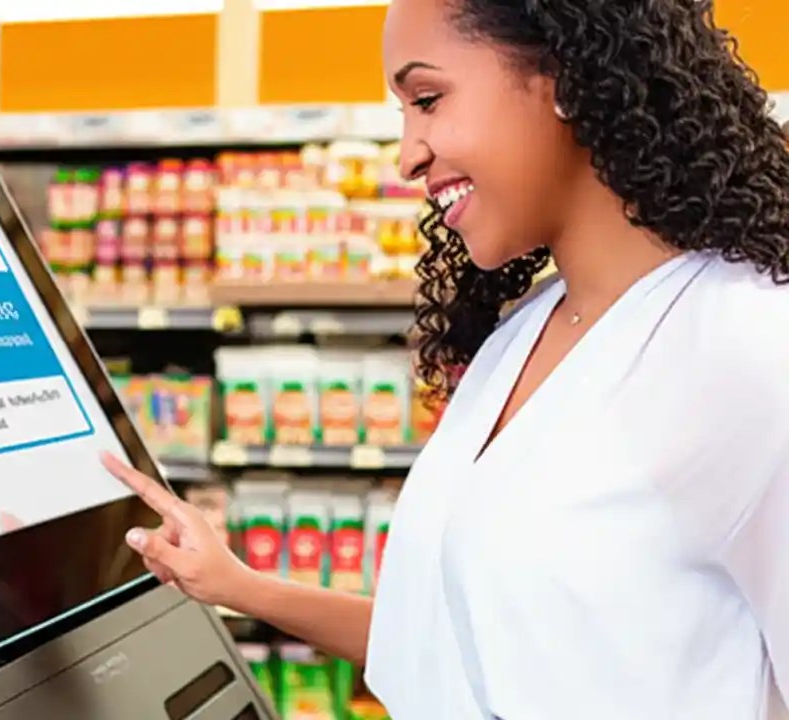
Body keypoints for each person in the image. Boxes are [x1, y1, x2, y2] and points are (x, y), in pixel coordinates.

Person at [101, 0, 789, 716]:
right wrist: (240, 587)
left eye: (427, 99)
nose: (407, 156)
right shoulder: (520, 338)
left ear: (566, 75)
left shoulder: (748, 345)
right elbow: (452, 649)